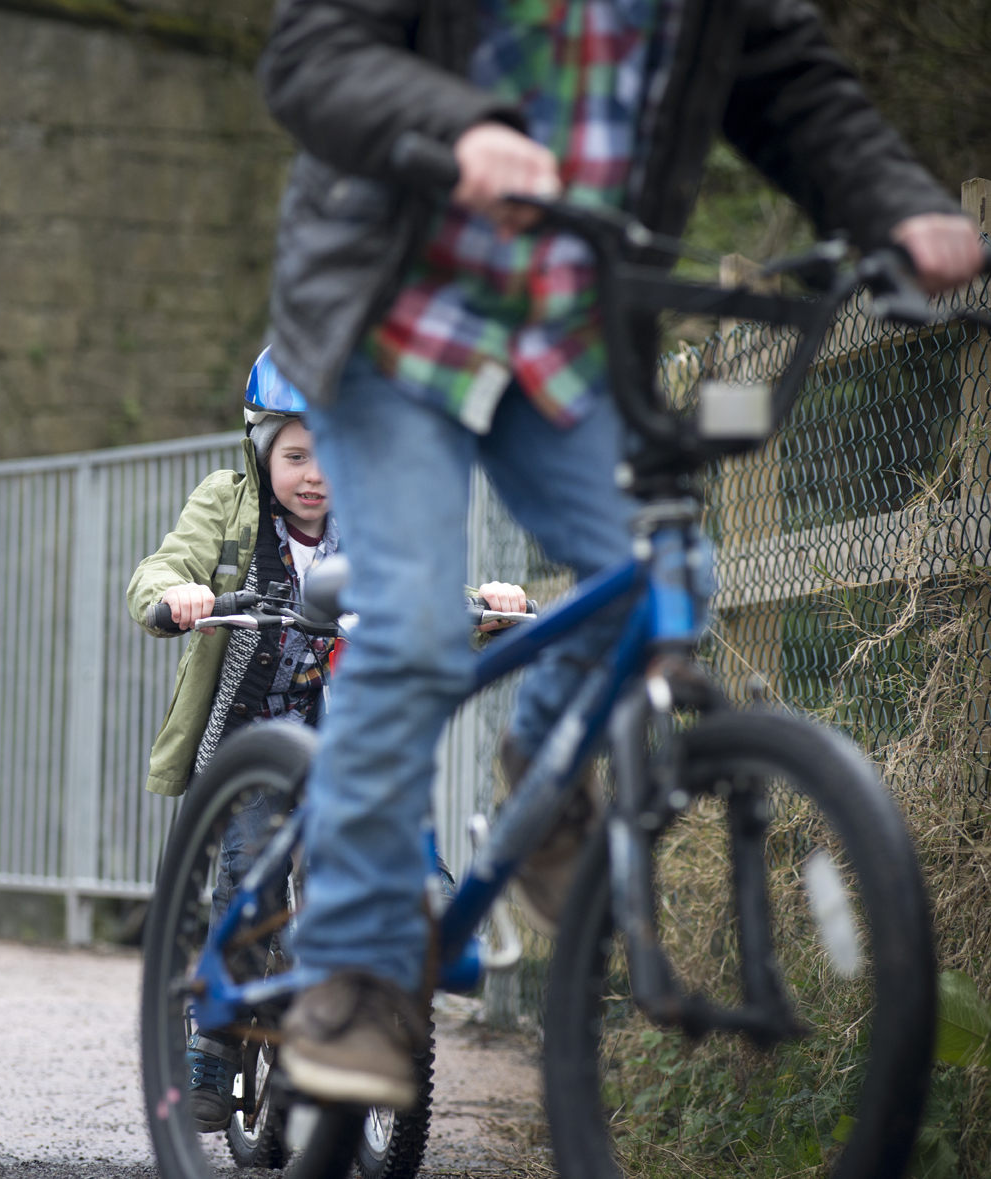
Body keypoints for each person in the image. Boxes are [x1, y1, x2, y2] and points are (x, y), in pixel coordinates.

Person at [254, 0, 985, 1112]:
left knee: (645, 578)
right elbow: (312, 55)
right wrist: (459, 128)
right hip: (392, 312)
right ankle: (350, 974)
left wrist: (895, 203)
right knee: (406, 626)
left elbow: (783, 76)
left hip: (572, 329)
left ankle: (538, 789)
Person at [126, 349, 526, 1130]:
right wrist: (176, 592)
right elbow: (162, 565)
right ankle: (216, 1043)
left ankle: (419, 938)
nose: (316, 474)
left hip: (345, 740)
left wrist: (479, 604)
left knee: (404, 836)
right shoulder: (227, 505)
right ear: (262, 449)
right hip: (251, 746)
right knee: (246, 875)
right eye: (297, 453)